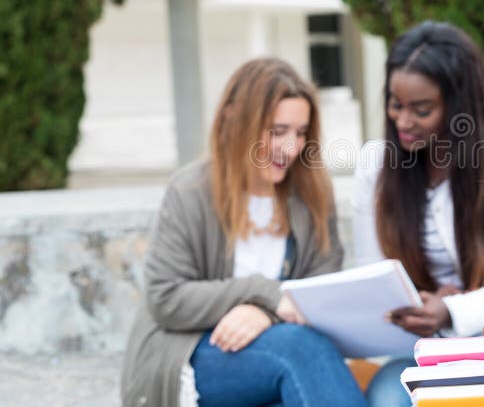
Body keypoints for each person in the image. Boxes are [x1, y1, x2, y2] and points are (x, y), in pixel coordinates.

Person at [120, 58, 366, 407]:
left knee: (298, 366)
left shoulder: (312, 193)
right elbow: (166, 298)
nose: (291, 147)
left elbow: (320, 292)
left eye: (300, 133)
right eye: (277, 131)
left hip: (272, 350)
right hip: (189, 353)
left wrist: (264, 313)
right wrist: (262, 294)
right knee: (297, 350)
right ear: (234, 121)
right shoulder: (190, 191)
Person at [352, 21, 484, 406]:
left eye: (421, 110)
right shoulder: (375, 166)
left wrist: (451, 311)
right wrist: (416, 307)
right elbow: (370, 276)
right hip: (412, 348)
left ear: (458, 109)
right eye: (395, 104)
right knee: (388, 396)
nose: (403, 121)